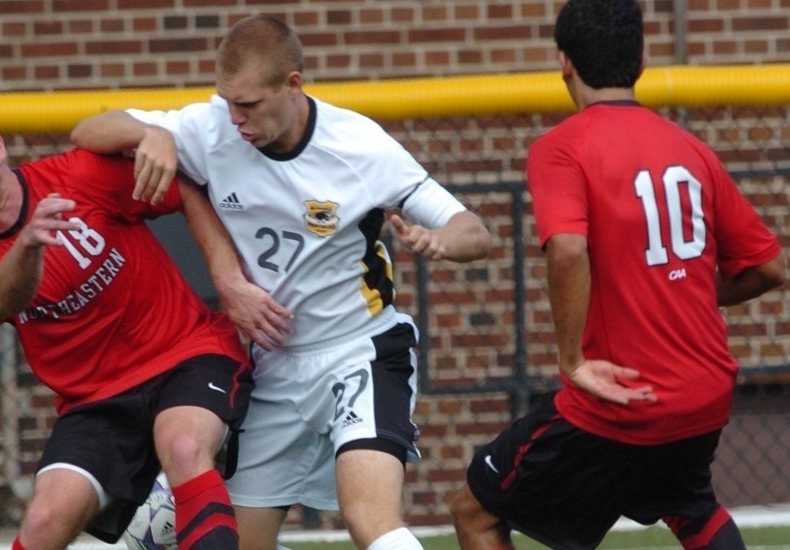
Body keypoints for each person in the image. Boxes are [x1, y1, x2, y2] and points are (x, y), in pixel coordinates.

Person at [71, 14, 491, 550]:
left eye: (248, 105)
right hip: (274, 366)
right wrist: (150, 132)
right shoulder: (210, 130)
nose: (235, 118)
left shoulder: (359, 145)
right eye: (227, 101)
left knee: (370, 521)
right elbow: (87, 132)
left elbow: (473, 231)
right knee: (236, 542)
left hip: (360, 353)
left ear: (293, 85)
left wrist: (442, 242)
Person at [447, 1, 787, 549]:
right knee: (692, 506)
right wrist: (689, 292)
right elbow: (769, 268)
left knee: (475, 510)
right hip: (705, 391)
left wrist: (572, 362)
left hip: (620, 400)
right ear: (643, 60)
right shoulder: (691, 149)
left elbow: (566, 250)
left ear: (564, 62)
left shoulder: (562, 148)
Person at [0, 99, 255, 550]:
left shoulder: (77, 176)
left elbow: (184, 190)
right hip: (96, 402)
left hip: (186, 353)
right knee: (41, 522)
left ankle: (176, 505)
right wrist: (28, 246)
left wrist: (227, 278)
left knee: (185, 448)